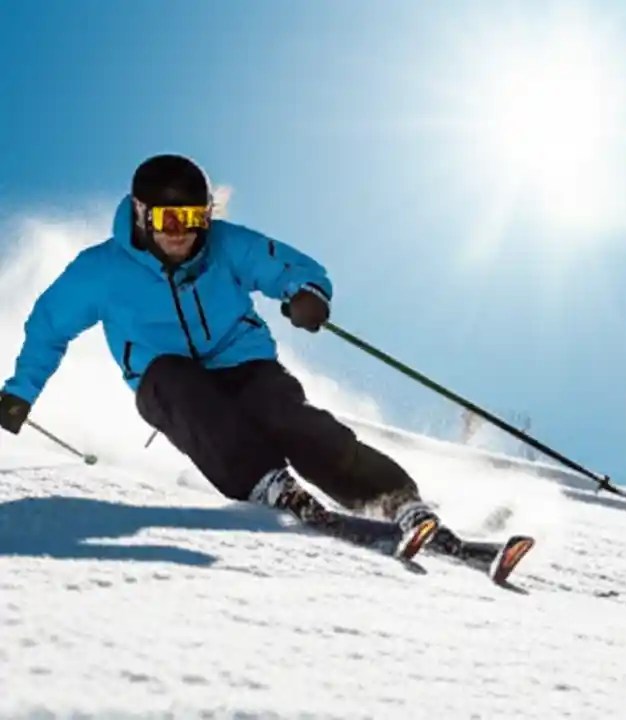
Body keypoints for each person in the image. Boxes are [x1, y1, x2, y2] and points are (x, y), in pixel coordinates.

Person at [0, 154, 532, 580]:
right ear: (141, 214)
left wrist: (306, 294)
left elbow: (295, 268)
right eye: (168, 219)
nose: (182, 232)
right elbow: (48, 327)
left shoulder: (226, 245)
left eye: (193, 218)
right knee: (176, 382)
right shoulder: (100, 270)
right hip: (171, 385)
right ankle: (271, 486)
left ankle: (400, 504)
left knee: (295, 422)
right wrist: (21, 390)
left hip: (245, 365)